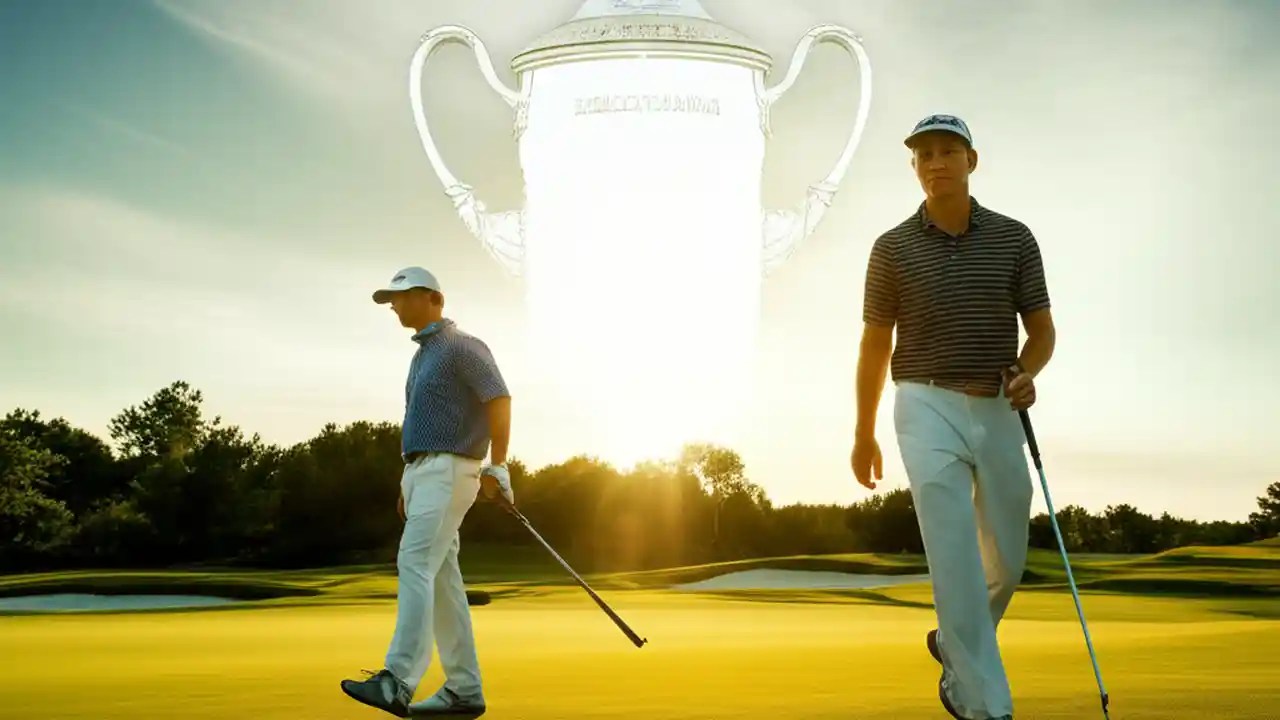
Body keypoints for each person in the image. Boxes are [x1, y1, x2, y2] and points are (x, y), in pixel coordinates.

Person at [850, 114, 1056, 720]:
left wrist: (1026, 372)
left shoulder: (1015, 238)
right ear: (914, 167)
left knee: (1007, 562)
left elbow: (1041, 331)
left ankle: (952, 642)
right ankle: (983, 704)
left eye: (948, 151)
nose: (936, 162)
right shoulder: (890, 247)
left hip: (995, 404)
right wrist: (863, 433)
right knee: (954, 554)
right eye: (924, 155)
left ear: (972, 160)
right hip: (921, 402)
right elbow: (873, 345)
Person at [341, 265, 515, 718]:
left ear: (432, 298)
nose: (394, 306)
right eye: (391, 300)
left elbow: (498, 398)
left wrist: (500, 466)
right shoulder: (421, 357)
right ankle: (464, 689)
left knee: (414, 562)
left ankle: (397, 681)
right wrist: (407, 479)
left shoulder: (463, 346)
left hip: (452, 469)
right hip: (423, 472)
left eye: (401, 297)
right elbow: (420, 423)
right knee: (441, 580)